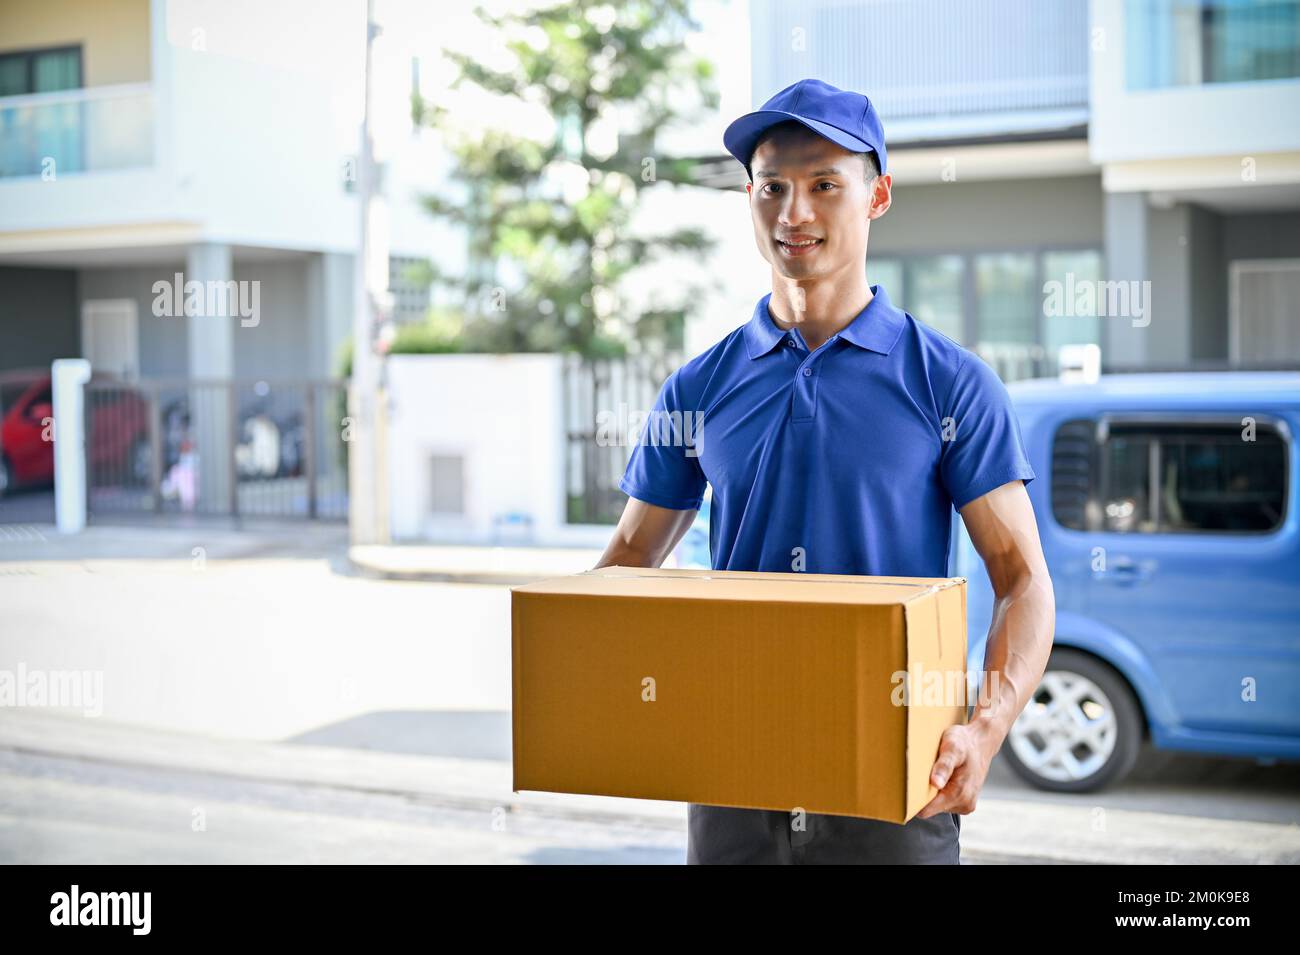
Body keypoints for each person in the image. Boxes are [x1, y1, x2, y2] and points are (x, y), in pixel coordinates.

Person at [594, 78, 1056, 864]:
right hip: (734, 777)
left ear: (876, 197)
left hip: (899, 779)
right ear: (749, 197)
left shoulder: (948, 381)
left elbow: (1022, 578)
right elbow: (631, 562)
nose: (793, 213)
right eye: (771, 186)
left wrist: (986, 729)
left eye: (823, 186)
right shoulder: (698, 387)